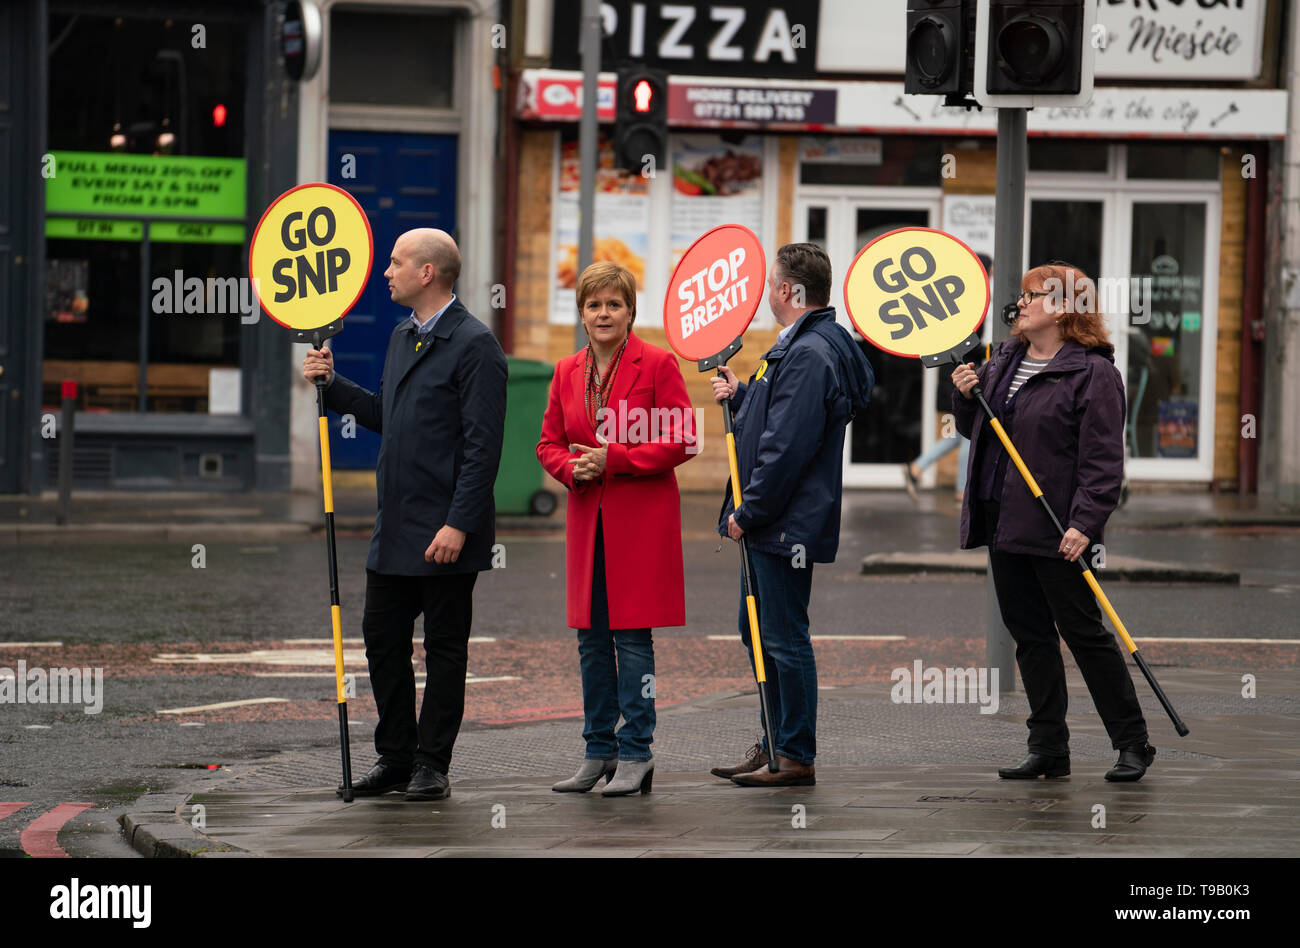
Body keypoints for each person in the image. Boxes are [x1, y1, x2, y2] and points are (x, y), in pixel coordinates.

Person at [302, 228, 506, 801]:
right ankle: (395, 756)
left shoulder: (475, 345)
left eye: (395, 263)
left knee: (444, 649)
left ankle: (431, 765)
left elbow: (482, 447)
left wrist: (459, 523)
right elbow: (386, 414)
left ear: (427, 274)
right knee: (381, 640)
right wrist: (332, 384)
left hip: (446, 529)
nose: (384, 272)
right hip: (394, 528)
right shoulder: (400, 337)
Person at [951, 261, 1156, 782]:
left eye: (1032, 296)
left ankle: (1132, 743)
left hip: (1058, 525)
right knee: (1031, 636)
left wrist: (1085, 523)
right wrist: (964, 393)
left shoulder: (1094, 374)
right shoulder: (1003, 362)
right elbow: (981, 433)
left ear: (1064, 307)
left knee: (1084, 633)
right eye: (1020, 297)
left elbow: (1103, 461)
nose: (1020, 305)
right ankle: (1048, 748)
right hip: (1005, 519)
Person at [709, 243, 874, 787]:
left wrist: (748, 511)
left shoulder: (805, 353)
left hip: (780, 523)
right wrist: (741, 398)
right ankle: (777, 742)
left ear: (787, 291)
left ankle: (795, 755)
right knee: (760, 631)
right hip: (782, 521)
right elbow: (778, 421)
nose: (763, 294)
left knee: (780, 637)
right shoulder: (812, 344)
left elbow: (786, 449)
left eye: (770, 284)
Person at [536, 261, 695, 796]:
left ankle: (637, 753)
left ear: (630, 311)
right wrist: (570, 468)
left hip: (641, 522)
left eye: (614, 304)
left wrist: (614, 459)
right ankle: (597, 750)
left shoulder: (658, 364)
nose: (604, 313)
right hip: (589, 520)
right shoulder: (565, 370)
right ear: (581, 313)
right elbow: (548, 444)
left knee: (631, 639)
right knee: (590, 640)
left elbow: (682, 439)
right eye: (594, 304)